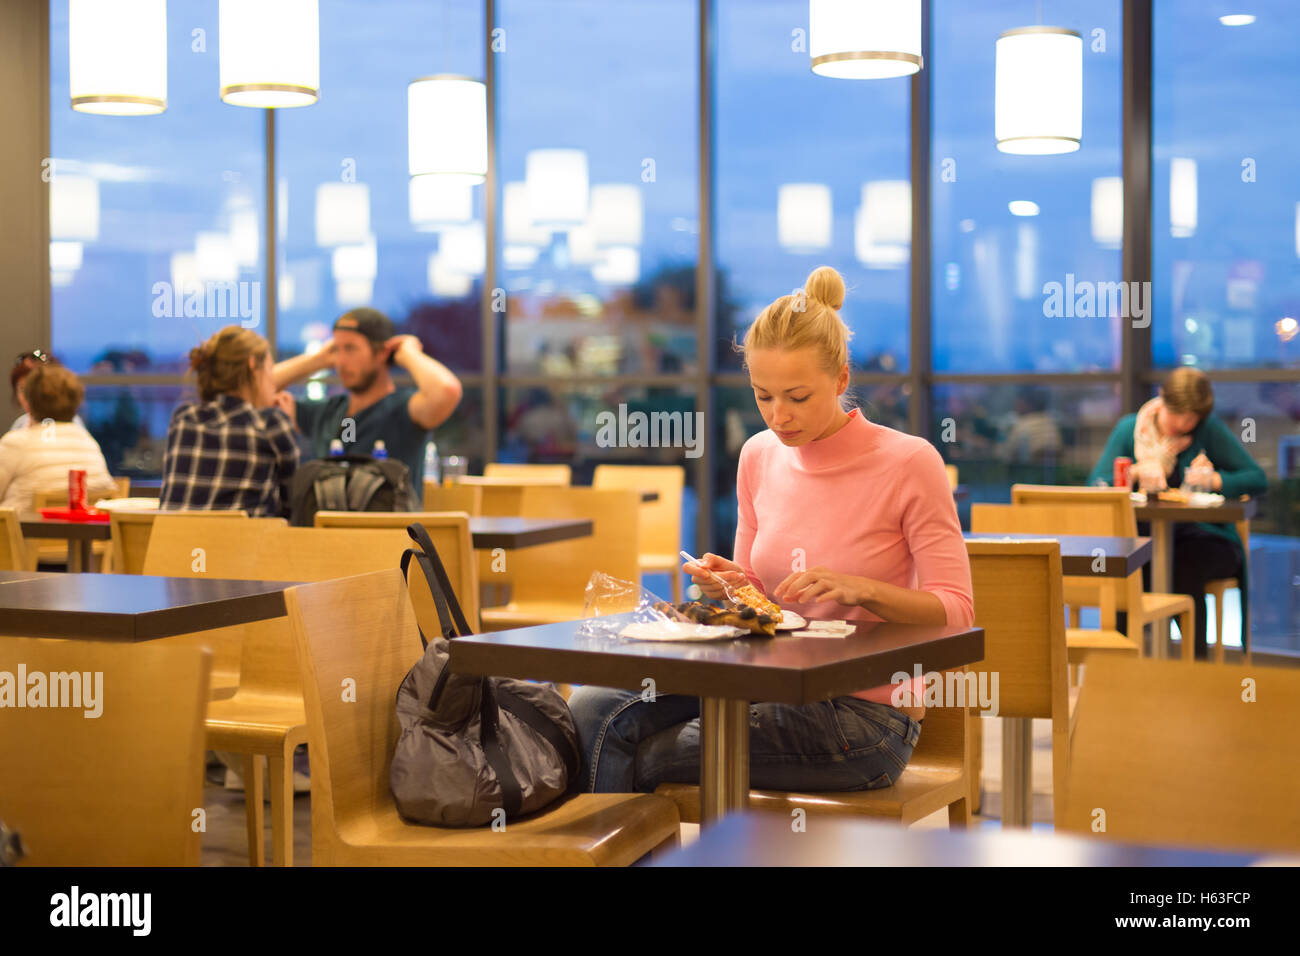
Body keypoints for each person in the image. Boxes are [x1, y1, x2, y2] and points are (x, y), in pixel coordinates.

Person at [568, 266, 975, 794]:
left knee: (637, 754)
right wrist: (730, 587)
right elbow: (759, 603)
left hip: (862, 716)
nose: (778, 416)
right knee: (592, 708)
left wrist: (865, 591)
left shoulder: (909, 462)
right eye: (763, 396)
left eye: (798, 397)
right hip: (766, 682)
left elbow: (958, 614)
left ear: (842, 379)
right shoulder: (758, 456)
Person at [1088, 367, 1266, 658]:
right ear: (1161, 400)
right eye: (1178, 414)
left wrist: (1215, 480)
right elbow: (1096, 484)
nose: (1184, 424)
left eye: (1192, 418)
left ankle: (1193, 670)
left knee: (1183, 568)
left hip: (1207, 538)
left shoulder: (1207, 431)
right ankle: (1120, 669)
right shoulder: (1131, 430)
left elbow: (1256, 479)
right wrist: (1133, 472)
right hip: (1147, 540)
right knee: (1128, 570)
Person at [273, 308, 462, 487]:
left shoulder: (403, 410)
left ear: (382, 353)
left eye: (350, 348)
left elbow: (446, 390)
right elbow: (258, 390)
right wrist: (319, 359)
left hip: (388, 522)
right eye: (336, 350)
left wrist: (408, 353)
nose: (340, 361)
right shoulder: (326, 411)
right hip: (327, 521)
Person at [159, 326, 299, 517]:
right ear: (252, 365)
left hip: (176, 545)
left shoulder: (183, 418)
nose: (273, 381)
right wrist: (287, 424)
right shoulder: (270, 425)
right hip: (240, 546)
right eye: (269, 369)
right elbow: (294, 508)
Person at [0, 364, 114, 511]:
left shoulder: (15, 443)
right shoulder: (89, 442)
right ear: (77, 403)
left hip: (21, 533)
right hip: (84, 534)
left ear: (28, 403)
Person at [9, 349, 85, 431]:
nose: (27, 397)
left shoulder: (71, 426)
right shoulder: (20, 424)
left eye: (35, 389)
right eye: (22, 389)